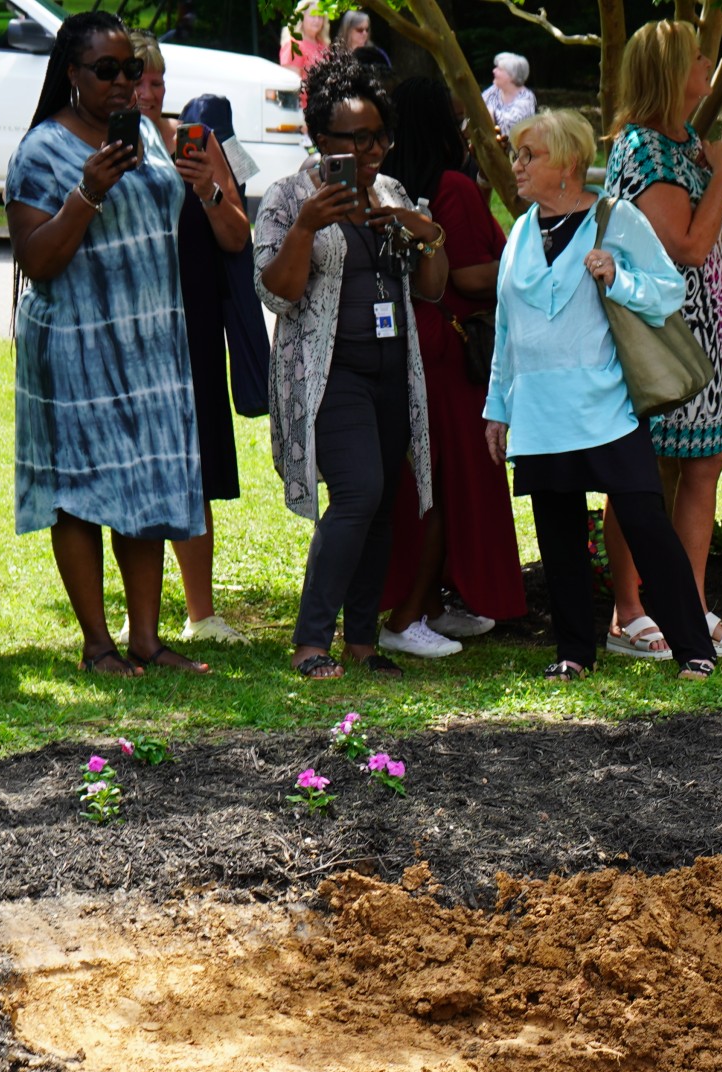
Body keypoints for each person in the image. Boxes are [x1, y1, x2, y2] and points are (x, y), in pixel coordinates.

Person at [8, 15, 230, 677]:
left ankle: (146, 638)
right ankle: (97, 643)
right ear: (72, 73)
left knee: (146, 485)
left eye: (131, 70)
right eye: (106, 71)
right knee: (78, 492)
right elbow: (37, 259)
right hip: (75, 345)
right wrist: (89, 191)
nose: (122, 82)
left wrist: (202, 181)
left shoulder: (154, 143)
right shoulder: (41, 150)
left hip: (150, 345)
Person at [483, 110, 716, 681]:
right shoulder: (519, 231)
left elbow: (666, 293)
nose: (516, 165)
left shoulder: (616, 220)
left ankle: (695, 650)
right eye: (517, 154)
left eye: (528, 155)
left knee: (646, 525)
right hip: (539, 410)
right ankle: (572, 653)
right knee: (558, 536)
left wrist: (619, 276)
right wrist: (497, 408)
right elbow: (506, 330)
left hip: (605, 407)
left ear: (566, 164)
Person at [255, 55, 448, 679]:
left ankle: (361, 642)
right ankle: (312, 640)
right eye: (354, 139)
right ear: (321, 139)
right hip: (329, 375)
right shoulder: (289, 197)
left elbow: (433, 290)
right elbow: (278, 293)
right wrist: (308, 227)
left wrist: (430, 235)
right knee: (359, 490)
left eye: (377, 138)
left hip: (393, 371)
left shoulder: (391, 192)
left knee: (385, 500)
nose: (368, 152)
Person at [598, 19, 722, 662]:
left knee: (702, 464)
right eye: (698, 59)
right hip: (662, 332)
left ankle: (687, 609)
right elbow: (688, 246)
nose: (708, 67)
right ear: (671, 73)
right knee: (643, 473)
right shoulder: (645, 149)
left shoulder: (684, 141)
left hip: (702, 335)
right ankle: (630, 612)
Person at [375, 75, 525, 651]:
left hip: (421, 345)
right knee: (456, 481)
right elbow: (465, 274)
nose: (468, 130)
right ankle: (413, 613)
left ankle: (431, 604)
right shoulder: (454, 185)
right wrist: (523, 257)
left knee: (427, 481)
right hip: (453, 351)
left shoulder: (399, 184)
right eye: (459, 120)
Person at [131, 34, 255, 647]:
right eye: (137, 81)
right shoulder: (99, 145)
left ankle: (200, 613)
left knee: (194, 464)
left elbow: (237, 238)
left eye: (157, 81)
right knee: (137, 463)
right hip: (130, 327)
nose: (150, 93)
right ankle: (140, 608)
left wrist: (207, 187)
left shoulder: (195, 141)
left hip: (193, 322)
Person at [483, 53, 535, 137]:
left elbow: (509, 124)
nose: (494, 71)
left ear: (512, 75)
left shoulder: (526, 97)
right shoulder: (494, 89)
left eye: (499, 69)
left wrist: (488, 112)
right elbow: (476, 103)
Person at [280, 6, 329, 78]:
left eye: (320, 16)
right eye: (312, 15)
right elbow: (291, 84)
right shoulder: (294, 46)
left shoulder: (324, 45)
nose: (317, 20)